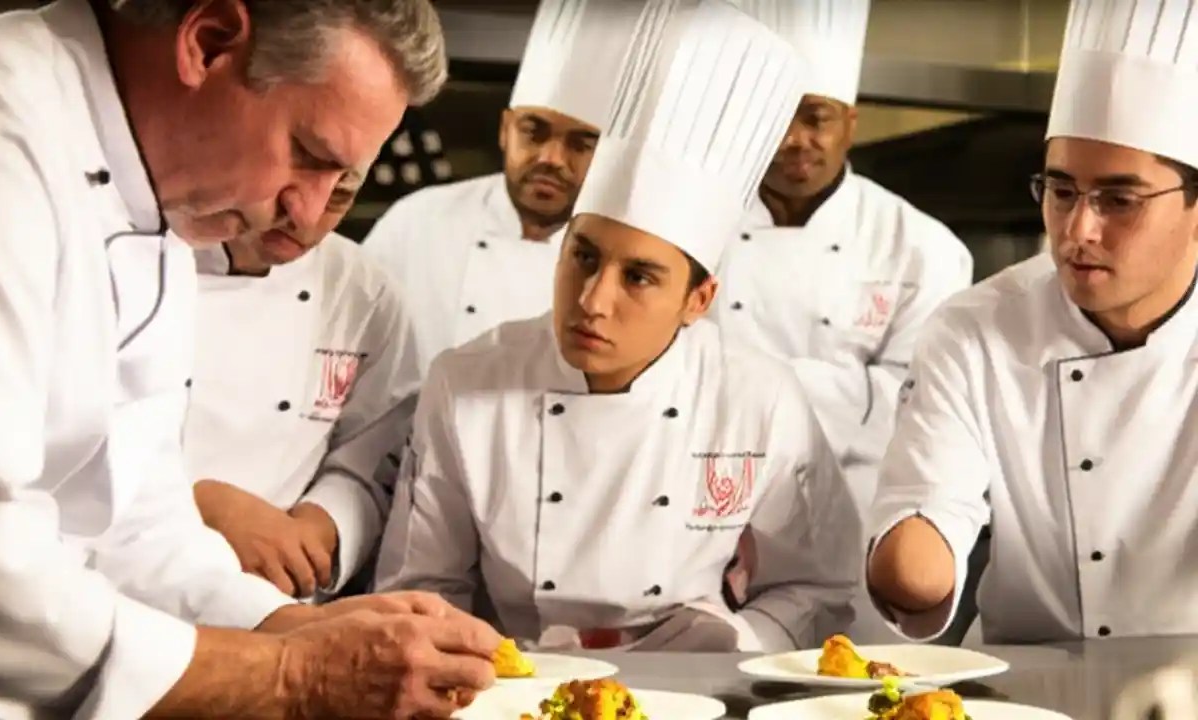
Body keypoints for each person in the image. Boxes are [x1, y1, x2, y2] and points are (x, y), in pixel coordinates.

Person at [0, 1, 500, 718]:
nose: (309, 210)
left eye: (341, 183)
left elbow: (135, 521)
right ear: (210, 41)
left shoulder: (165, 196)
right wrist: (294, 676)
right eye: (310, 155)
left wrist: (294, 625)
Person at [375, 0, 860, 654]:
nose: (593, 301)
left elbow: (817, 585)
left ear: (699, 299)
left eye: (639, 277)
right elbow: (423, 586)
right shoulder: (466, 384)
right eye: (584, 257)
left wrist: (738, 642)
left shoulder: (756, 399)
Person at [866, 0, 1198, 644]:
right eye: (1061, 189)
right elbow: (929, 510)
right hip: (1021, 691)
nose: (1077, 230)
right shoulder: (975, 329)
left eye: (1118, 200)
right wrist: (911, 554)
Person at [717, 0, 973, 510]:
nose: (794, 139)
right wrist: (848, 389)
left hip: (851, 511)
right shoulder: (697, 226)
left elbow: (916, 403)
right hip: (709, 502)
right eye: (773, 117)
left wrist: (733, 386)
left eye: (816, 117)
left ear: (849, 124)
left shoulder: (922, 247)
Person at [363, 0, 646, 375]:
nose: (552, 159)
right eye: (533, 131)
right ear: (505, 129)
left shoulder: (624, 252)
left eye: (581, 143)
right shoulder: (417, 220)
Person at [185, 200, 420, 601]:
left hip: (278, 601)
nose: (307, 215)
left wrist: (317, 529)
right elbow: (76, 452)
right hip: (129, 590)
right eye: (304, 166)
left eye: (342, 193)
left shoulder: (361, 289)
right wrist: (199, 507)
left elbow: (376, 458)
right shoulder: (139, 256)